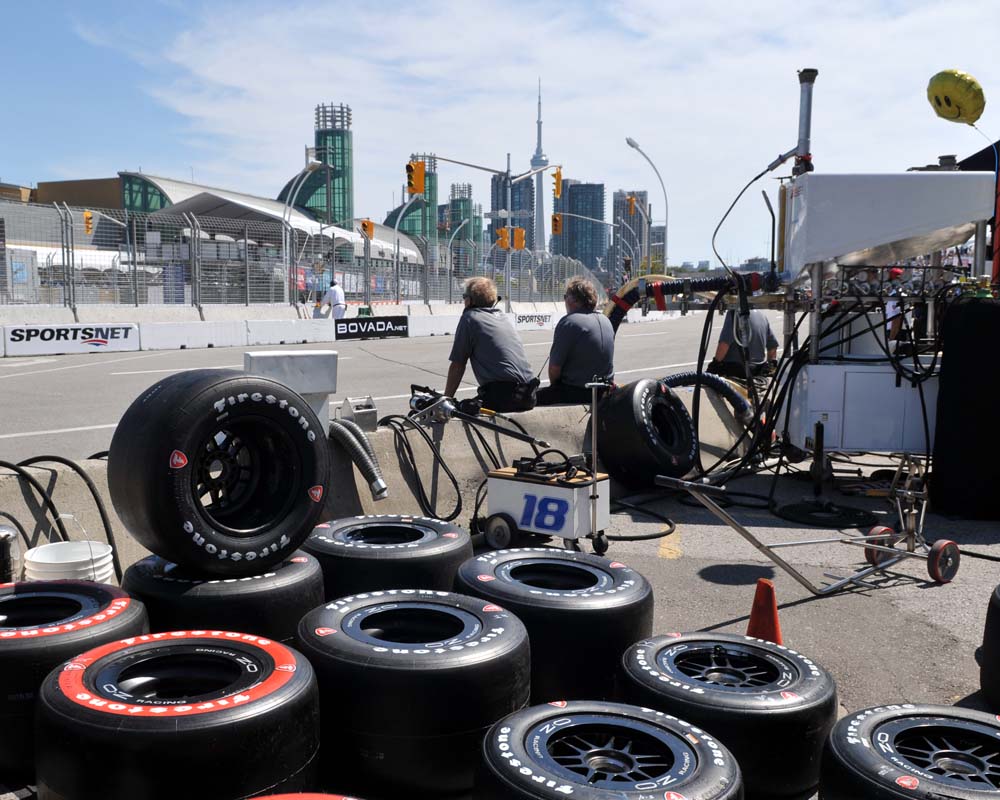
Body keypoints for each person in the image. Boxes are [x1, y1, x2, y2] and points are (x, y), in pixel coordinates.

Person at [443, 276, 537, 412]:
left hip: (505, 395)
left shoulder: (470, 318)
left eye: (464, 297)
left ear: (469, 300)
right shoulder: (502, 317)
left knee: (461, 408)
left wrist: (446, 399)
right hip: (529, 394)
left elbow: (458, 365)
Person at [536, 277, 615, 406]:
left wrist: (554, 387)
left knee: (529, 400)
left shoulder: (569, 322)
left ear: (575, 300)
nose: (565, 301)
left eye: (565, 296)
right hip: (604, 391)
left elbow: (554, 369)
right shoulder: (606, 320)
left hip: (577, 391)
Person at [708, 309, 778, 377]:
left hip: (736, 370)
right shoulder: (762, 315)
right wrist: (770, 367)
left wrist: (715, 364)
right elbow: (772, 347)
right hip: (758, 370)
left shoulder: (734, 313)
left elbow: (724, 344)